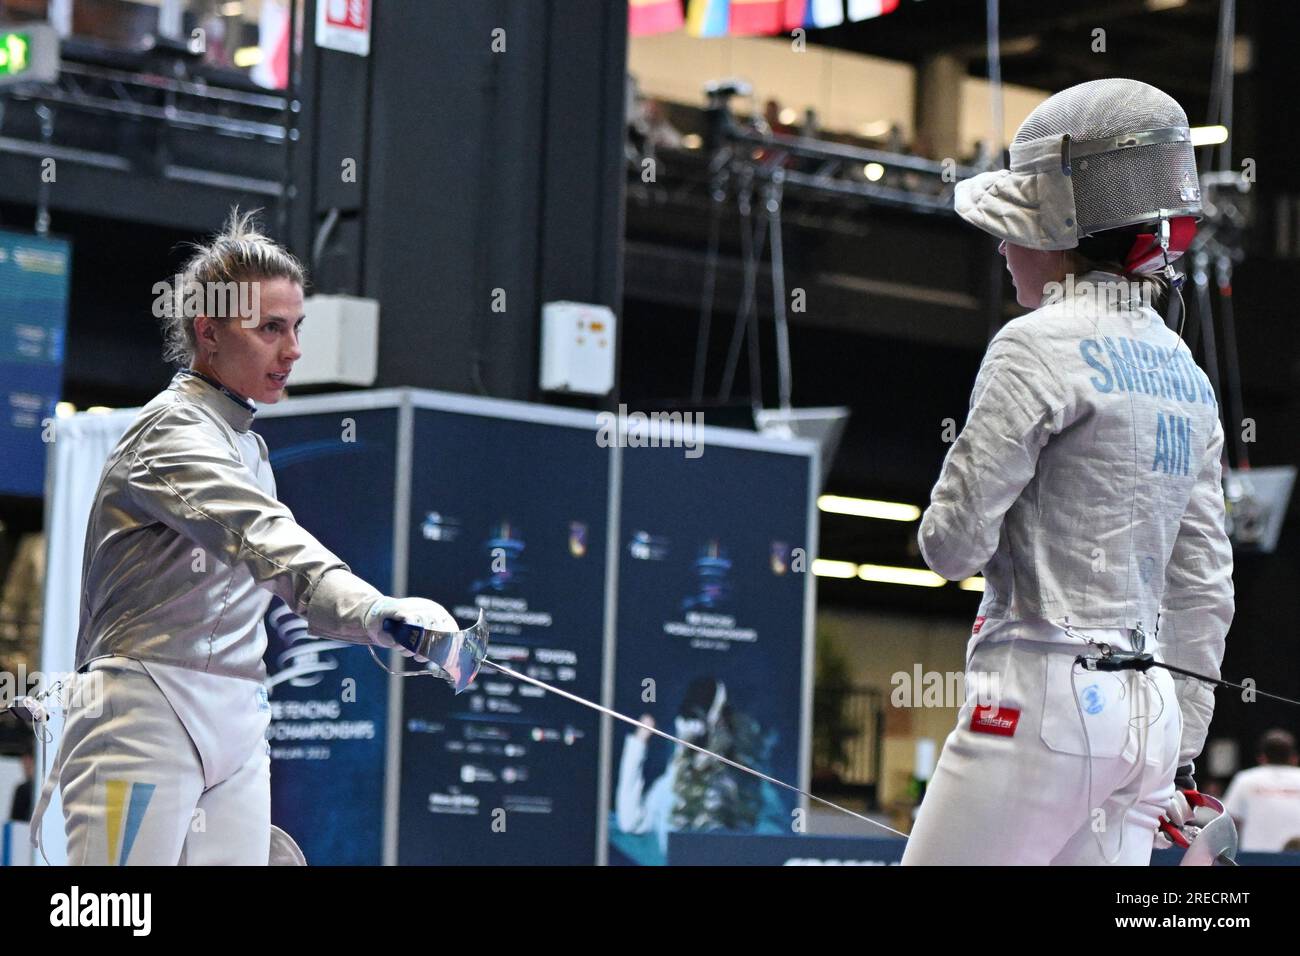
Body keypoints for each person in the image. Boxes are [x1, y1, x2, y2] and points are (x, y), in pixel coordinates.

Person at [31, 209, 456, 865]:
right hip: (143, 711)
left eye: (296, 328)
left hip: (238, 716)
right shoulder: (170, 437)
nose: (292, 350)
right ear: (209, 332)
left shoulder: (247, 447)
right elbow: (262, 539)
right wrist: (373, 610)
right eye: (270, 329)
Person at [901, 79, 1234, 865]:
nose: (1003, 247)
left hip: (1041, 695)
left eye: (1013, 227)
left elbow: (950, 547)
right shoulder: (1186, 372)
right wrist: (1180, 749)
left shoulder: (1034, 343)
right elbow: (1204, 586)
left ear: (1057, 226)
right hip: (1146, 718)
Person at [1221, 729, 1300, 852]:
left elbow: (1229, 822)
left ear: (1262, 758)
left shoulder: (1246, 779)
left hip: (1255, 857)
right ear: (1294, 758)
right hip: (1294, 859)